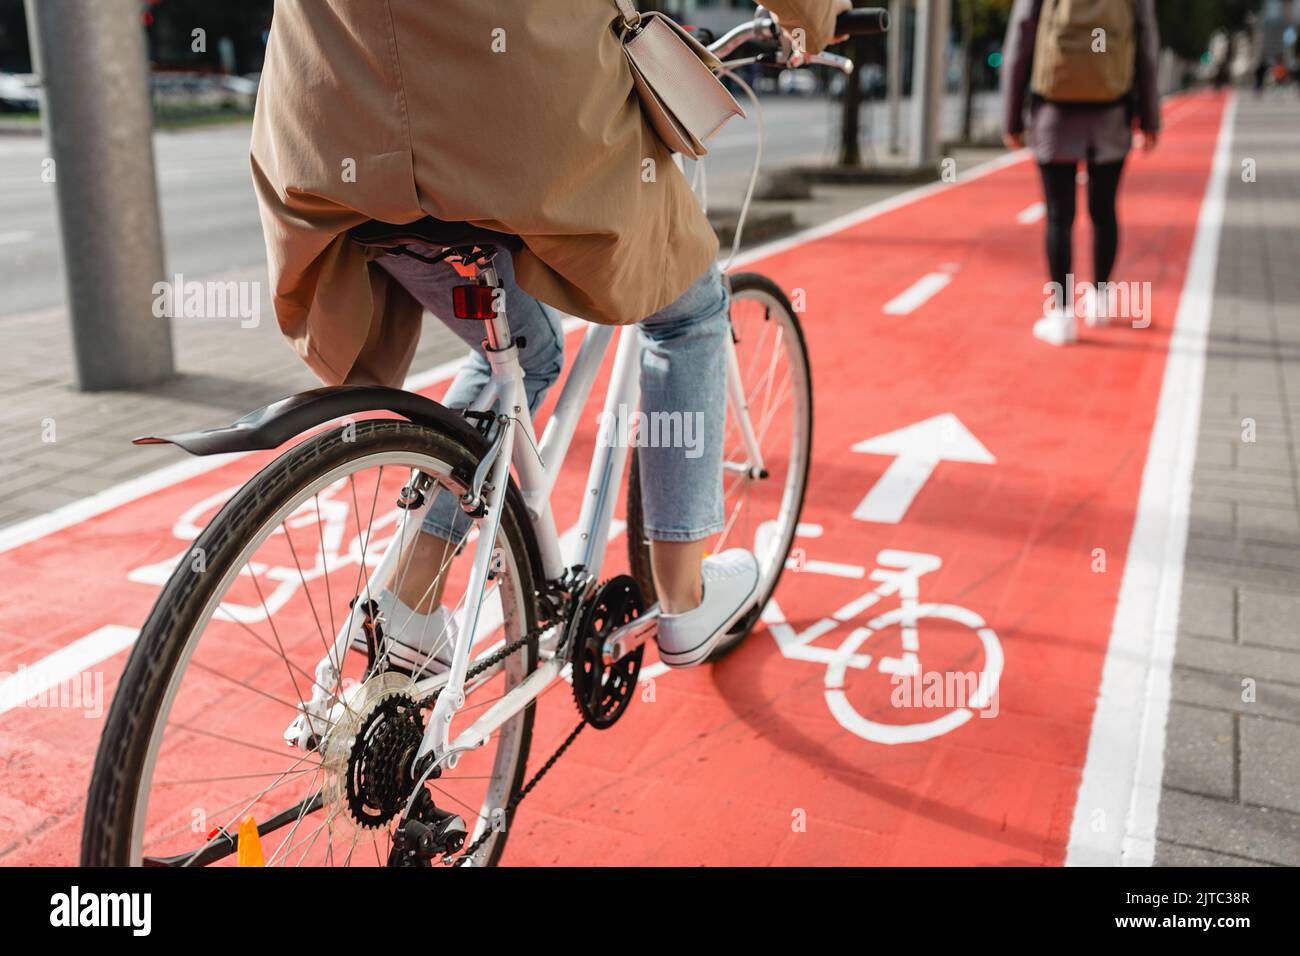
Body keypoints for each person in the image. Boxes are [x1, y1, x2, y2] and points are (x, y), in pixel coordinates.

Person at [249, 0, 848, 668]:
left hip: (334, 133)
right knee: (687, 311)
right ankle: (685, 598)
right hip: (517, 119)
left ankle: (409, 601)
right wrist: (809, 18)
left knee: (521, 351)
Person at [1001, 0, 1160, 345]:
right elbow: (1146, 43)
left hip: (1054, 114)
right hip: (1112, 114)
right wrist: (1150, 116)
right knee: (1104, 211)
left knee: (1059, 217)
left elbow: (1021, 38)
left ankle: (1061, 316)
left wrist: (1011, 115)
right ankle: (1100, 301)